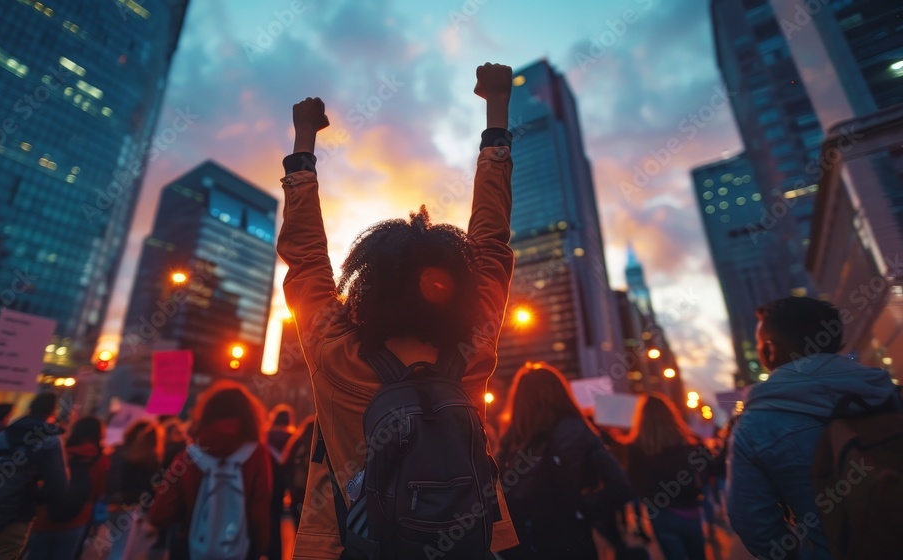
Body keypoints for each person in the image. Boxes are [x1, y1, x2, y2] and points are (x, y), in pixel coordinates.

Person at [276, 62, 520, 557]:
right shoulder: (474, 347)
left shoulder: (336, 352)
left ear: (365, 287)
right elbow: (491, 244)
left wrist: (305, 141)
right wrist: (497, 111)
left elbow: (305, 256)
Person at [727, 297, 903, 559]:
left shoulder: (755, 426)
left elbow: (754, 524)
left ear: (770, 350)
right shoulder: (887, 393)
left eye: (759, 344)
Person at [497, 362, 634, 560]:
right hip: (573, 541)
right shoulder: (577, 429)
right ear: (560, 393)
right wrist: (581, 508)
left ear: (519, 399)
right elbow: (621, 486)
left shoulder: (511, 440)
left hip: (525, 545)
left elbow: (497, 495)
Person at [147, 381, 272, 560]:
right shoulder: (256, 454)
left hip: (189, 549)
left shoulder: (188, 456)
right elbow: (259, 508)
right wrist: (261, 547)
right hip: (241, 550)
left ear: (206, 415)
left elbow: (160, 514)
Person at [0, 391, 69, 560]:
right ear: (53, 413)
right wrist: (30, 497)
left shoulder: (0, 435)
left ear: (30, 408)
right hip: (15, 521)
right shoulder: (50, 441)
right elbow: (58, 486)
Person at [623, 393, 707, 560]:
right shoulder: (686, 443)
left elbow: (634, 482)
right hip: (690, 510)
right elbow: (702, 473)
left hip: (661, 513)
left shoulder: (636, 448)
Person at [27, 416, 110, 560]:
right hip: (77, 519)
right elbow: (98, 491)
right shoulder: (102, 459)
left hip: (44, 517)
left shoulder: (58, 449)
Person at [104, 418, 163, 560]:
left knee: (114, 543)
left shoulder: (121, 452)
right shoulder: (151, 460)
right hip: (132, 508)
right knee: (122, 548)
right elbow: (149, 489)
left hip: (113, 504)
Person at [265, 405, 294, 560]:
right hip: (285, 481)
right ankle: (281, 554)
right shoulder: (292, 436)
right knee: (281, 516)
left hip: (269, 481)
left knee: (271, 516)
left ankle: (270, 550)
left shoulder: (265, 436)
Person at [282, 415, 315, 528]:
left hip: (297, 488)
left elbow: (287, 464)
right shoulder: (320, 444)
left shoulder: (297, 442)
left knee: (298, 521)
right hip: (315, 490)